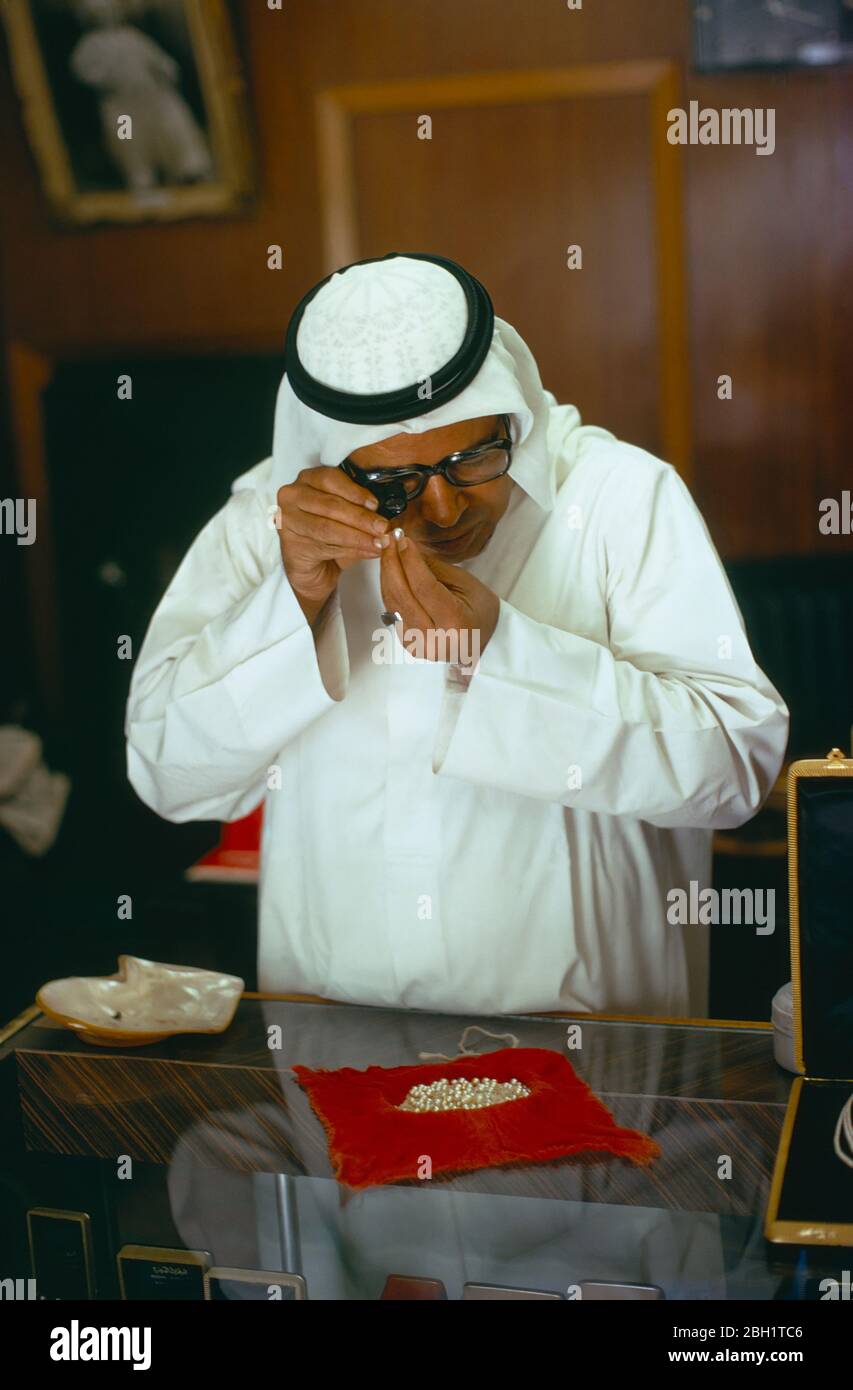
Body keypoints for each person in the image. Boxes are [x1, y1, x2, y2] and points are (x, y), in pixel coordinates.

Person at [125, 252, 788, 1017]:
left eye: (473, 458)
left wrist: (502, 654)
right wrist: (294, 603)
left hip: (593, 1046)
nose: (441, 510)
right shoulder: (263, 526)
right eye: (392, 485)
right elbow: (166, 778)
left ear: (514, 416)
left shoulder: (618, 498)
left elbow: (737, 769)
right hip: (335, 1039)